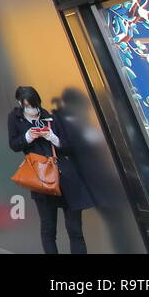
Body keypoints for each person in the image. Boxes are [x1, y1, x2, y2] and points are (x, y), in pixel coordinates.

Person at [8, 86, 94, 254]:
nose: (32, 110)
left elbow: (68, 146)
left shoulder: (51, 117)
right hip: (41, 179)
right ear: (20, 103)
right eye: (27, 106)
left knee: (75, 230)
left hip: (65, 178)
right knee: (48, 230)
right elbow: (14, 144)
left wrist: (52, 137)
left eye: (34, 105)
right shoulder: (15, 119)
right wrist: (28, 136)